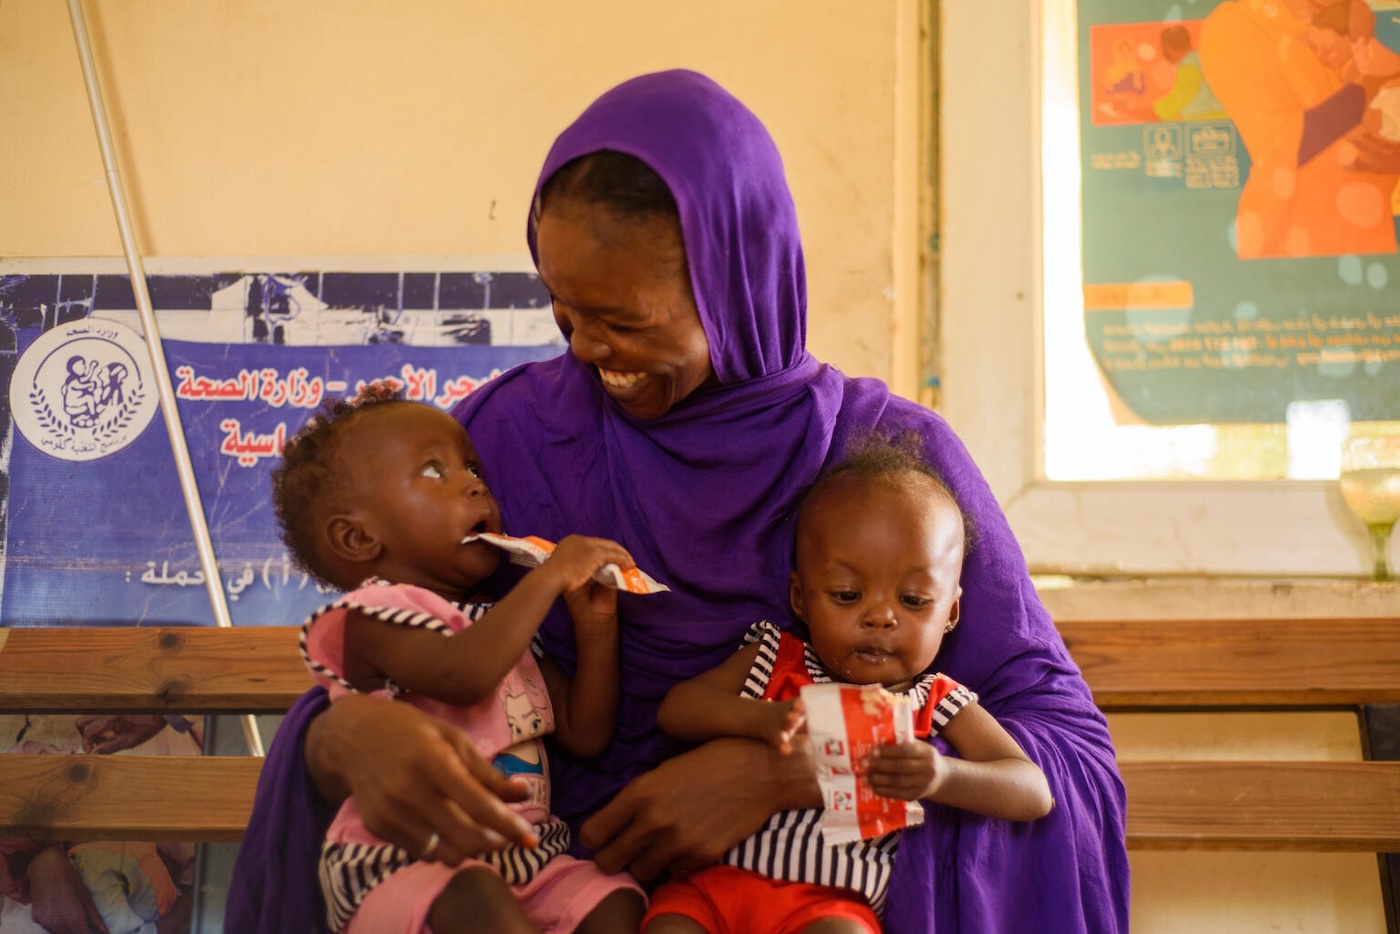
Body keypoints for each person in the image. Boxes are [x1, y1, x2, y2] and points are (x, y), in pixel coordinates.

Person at [227, 68, 1130, 934]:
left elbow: (1063, 758)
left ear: (737, 286)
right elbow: (384, 646)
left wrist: (786, 773)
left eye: (624, 321)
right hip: (535, 892)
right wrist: (338, 743)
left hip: (820, 898)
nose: (583, 350)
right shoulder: (505, 440)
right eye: (562, 308)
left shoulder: (885, 466)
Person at [270, 384, 647, 933]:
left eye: (472, 467)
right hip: (408, 862)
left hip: (530, 858)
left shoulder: (501, 623)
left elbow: (584, 735)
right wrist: (547, 579)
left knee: (616, 901)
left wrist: (595, 626)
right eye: (432, 471)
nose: (473, 483)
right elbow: (462, 673)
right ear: (357, 538)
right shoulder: (373, 614)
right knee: (477, 901)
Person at [642, 437, 1054, 933]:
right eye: (847, 594)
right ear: (800, 596)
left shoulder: (933, 700)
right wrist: (759, 717)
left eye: (914, 599)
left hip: (829, 906)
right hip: (709, 889)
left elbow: (1031, 790)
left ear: (952, 612)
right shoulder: (775, 659)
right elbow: (678, 708)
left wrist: (943, 776)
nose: (880, 617)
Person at [1200, 0, 1400, 257]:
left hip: (1369, 237)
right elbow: (1286, 144)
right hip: (1288, 238)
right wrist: (1375, 77)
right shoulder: (1236, 27)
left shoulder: (1354, 13)